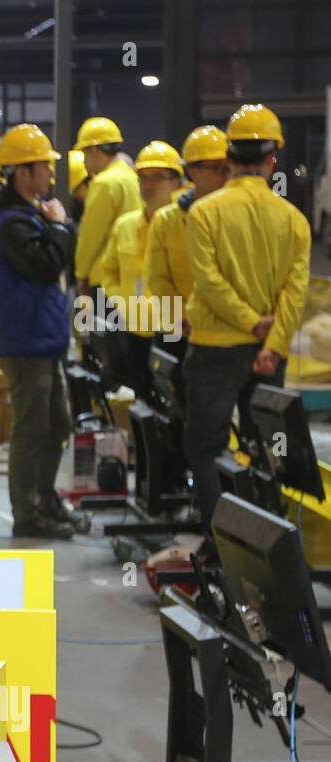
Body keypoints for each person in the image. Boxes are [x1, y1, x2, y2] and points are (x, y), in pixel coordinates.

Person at [183, 104, 311, 536]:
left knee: (205, 447)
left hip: (215, 350)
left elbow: (209, 282)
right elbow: (296, 292)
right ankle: (268, 544)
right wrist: (272, 342)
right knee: (267, 449)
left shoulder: (203, 213)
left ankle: (220, 545)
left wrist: (250, 322)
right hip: (267, 355)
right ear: (273, 159)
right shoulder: (294, 221)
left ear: (228, 157)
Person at [0, 124, 77, 539]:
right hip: (25, 342)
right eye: (45, 166)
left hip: (43, 339)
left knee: (57, 423)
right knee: (31, 427)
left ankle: (45, 499)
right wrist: (59, 227)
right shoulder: (12, 223)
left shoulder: (28, 215)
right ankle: (27, 513)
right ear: (22, 173)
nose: (52, 175)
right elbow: (44, 266)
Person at [93, 140, 184, 394]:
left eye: (157, 177)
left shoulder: (185, 226)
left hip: (171, 330)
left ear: (175, 182)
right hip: (134, 327)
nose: (148, 185)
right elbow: (107, 269)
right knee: (140, 399)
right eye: (143, 178)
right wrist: (122, 301)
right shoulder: (125, 225)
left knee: (173, 399)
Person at [144, 125, 230, 352]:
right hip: (179, 332)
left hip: (227, 333)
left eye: (227, 168)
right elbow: (157, 279)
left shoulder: (236, 218)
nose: (225, 176)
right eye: (216, 168)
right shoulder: (166, 221)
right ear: (193, 171)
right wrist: (184, 317)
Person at [72, 117, 140, 300]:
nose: (84, 161)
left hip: (105, 279)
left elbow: (91, 235)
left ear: (94, 150)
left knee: (103, 328)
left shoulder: (104, 183)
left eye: (85, 153)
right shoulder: (130, 177)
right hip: (131, 274)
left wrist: (81, 274)